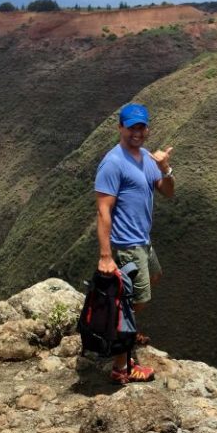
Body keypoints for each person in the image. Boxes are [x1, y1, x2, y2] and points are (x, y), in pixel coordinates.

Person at [95, 102, 175, 384]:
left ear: (147, 129)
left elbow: (167, 192)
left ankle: (125, 329)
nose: (137, 132)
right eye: (131, 127)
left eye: (141, 127)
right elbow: (103, 210)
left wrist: (165, 168)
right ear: (121, 128)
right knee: (132, 301)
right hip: (127, 244)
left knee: (154, 276)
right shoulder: (113, 163)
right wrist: (105, 255)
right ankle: (121, 364)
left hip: (143, 240)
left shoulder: (146, 159)